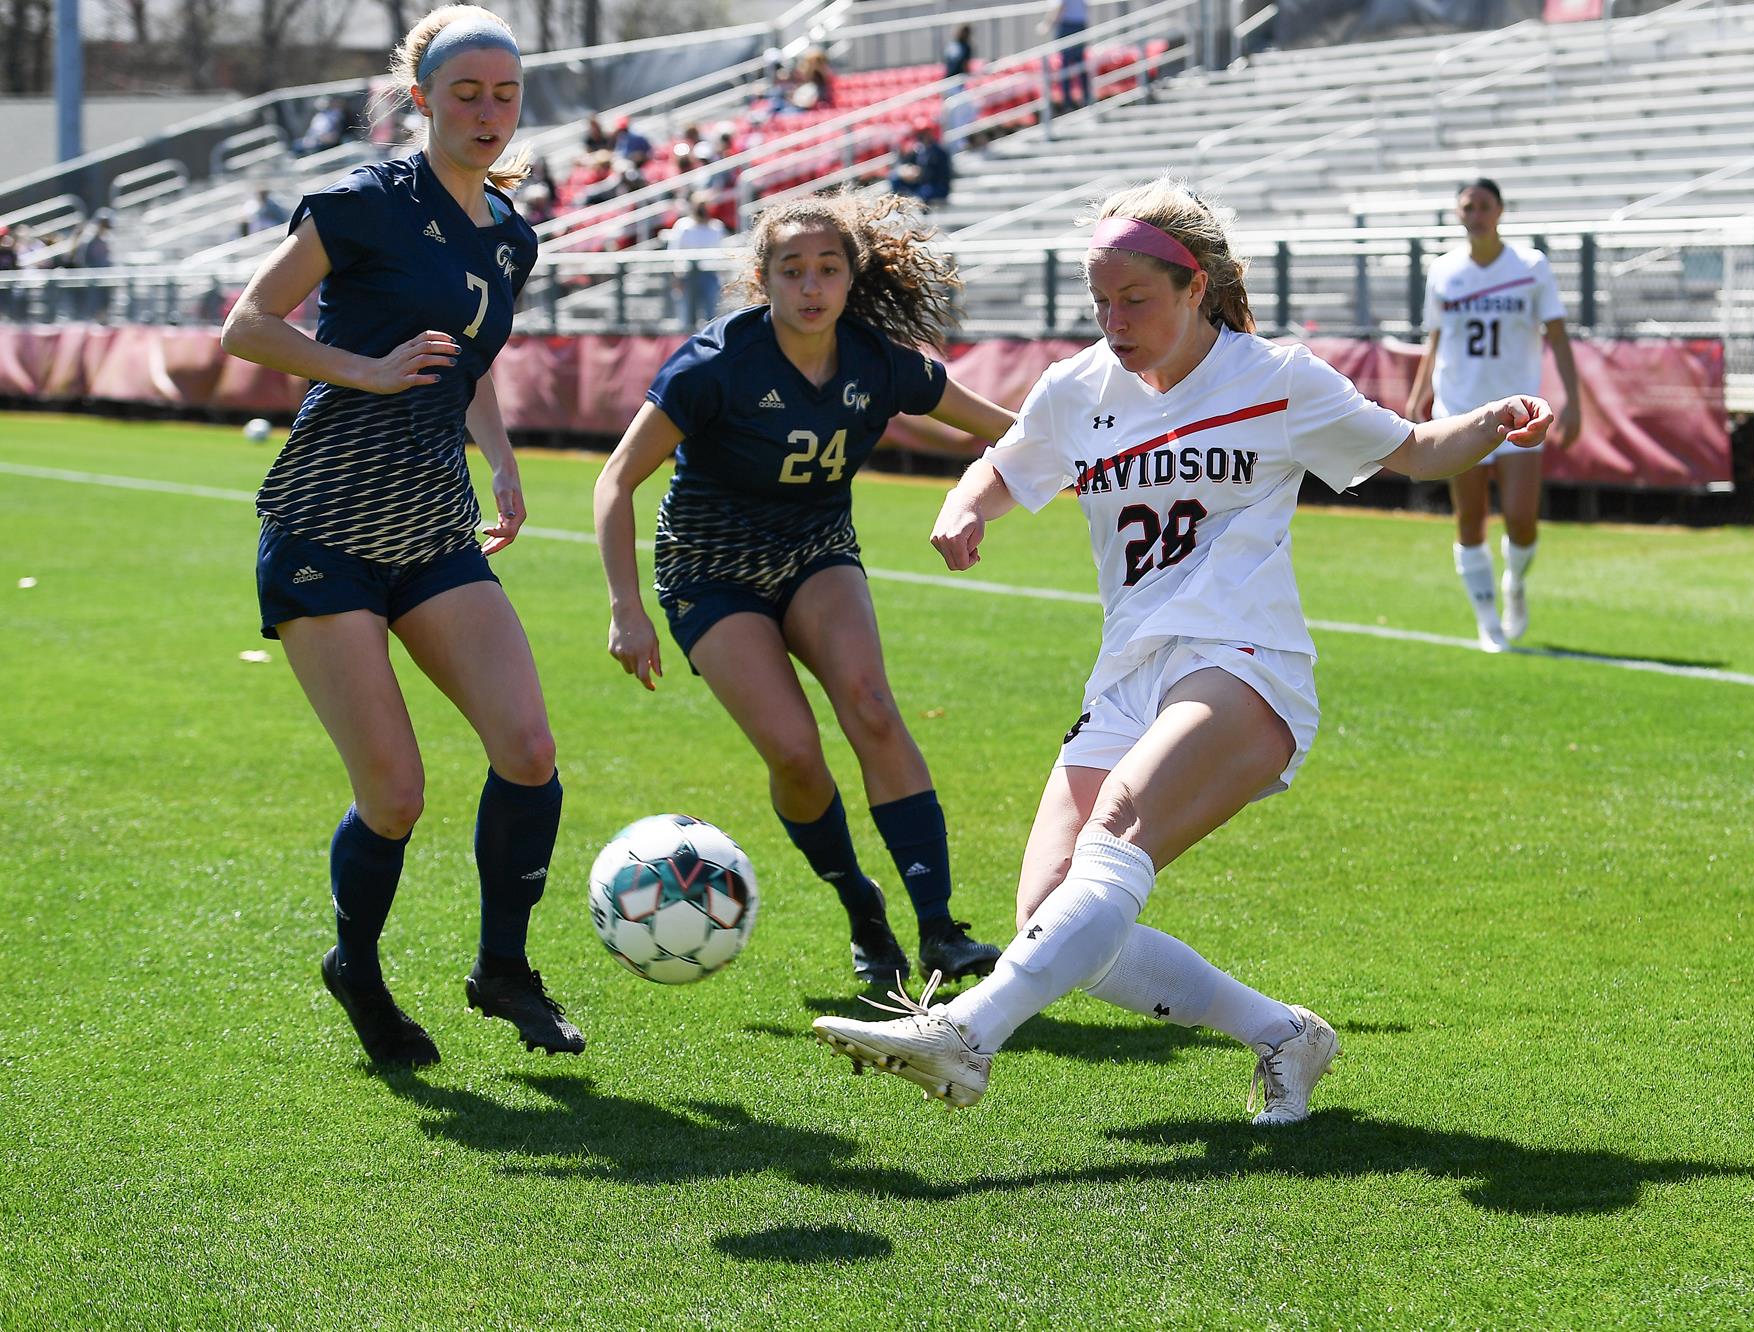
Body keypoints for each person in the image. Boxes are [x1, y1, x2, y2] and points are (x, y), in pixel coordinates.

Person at [812, 179, 1551, 1122]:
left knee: (1117, 826)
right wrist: (966, 505)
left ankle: (965, 1034)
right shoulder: (1077, 388)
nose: (1113, 321)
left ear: (1195, 286)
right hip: (1129, 672)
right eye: (1099, 301)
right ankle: (1284, 1034)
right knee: (1050, 912)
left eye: (1134, 299)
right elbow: (1005, 464)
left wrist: (1492, 422)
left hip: (1245, 659)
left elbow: (1414, 449)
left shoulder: (1275, 378)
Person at [220, 4, 581, 1068]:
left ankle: (503, 970)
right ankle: (358, 969)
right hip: (324, 528)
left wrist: (500, 456)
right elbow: (247, 324)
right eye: (464, 93)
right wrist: (366, 371)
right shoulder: (365, 202)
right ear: (420, 98)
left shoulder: (512, 233)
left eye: (504, 94)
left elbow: (468, 362)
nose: (487, 112)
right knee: (395, 795)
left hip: (431, 528)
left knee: (529, 751)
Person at [592, 192, 1019, 989]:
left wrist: (1106, 455)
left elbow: (1005, 428)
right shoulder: (715, 363)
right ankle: (861, 904)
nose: (811, 286)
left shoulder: (877, 360)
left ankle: (939, 929)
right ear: (764, 279)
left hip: (817, 554)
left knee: (872, 707)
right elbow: (616, 481)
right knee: (793, 752)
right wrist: (625, 608)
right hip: (709, 571)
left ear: (852, 278)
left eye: (828, 269)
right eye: (792, 270)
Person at [1407, 177, 1580, 651]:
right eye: (1468, 207)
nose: (1476, 215)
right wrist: (1420, 395)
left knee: (1522, 519)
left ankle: (1515, 583)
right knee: (1471, 519)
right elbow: (1435, 338)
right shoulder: (1444, 270)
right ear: (1458, 214)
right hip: (1459, 409)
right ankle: (1487, 619)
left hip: (1518, 410)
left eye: (1484, 206)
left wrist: (1573, 400)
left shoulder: (1530, 266)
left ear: (1500, 211)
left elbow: (1558, 335)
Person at [668, 195, 730, 328]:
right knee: (687, 316)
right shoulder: (683, 226)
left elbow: (722, 253)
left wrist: (723, 278)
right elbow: (674, 252)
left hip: (710, 275)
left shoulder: (716, 227)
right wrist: (676, 277)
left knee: (712, 316)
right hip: (687, 275)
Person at [1040, 0, 1091, 111]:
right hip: (1080, 23)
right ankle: (1086, 98)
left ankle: (1067, 102)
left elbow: (1059, 6)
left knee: (1066, 65)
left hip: (1068, 25)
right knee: (1080, 63)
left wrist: (1047, 24)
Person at [888, 126, 952, 207]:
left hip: (935, 185)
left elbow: (940, 174)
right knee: (894, 177)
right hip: (919, 183)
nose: (921, 136)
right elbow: (907, 163)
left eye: (924, 133)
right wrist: (906, 171)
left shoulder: (939, 152)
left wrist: (920, 173)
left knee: (923, 193)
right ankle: (896, 203)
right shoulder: (917, 148)